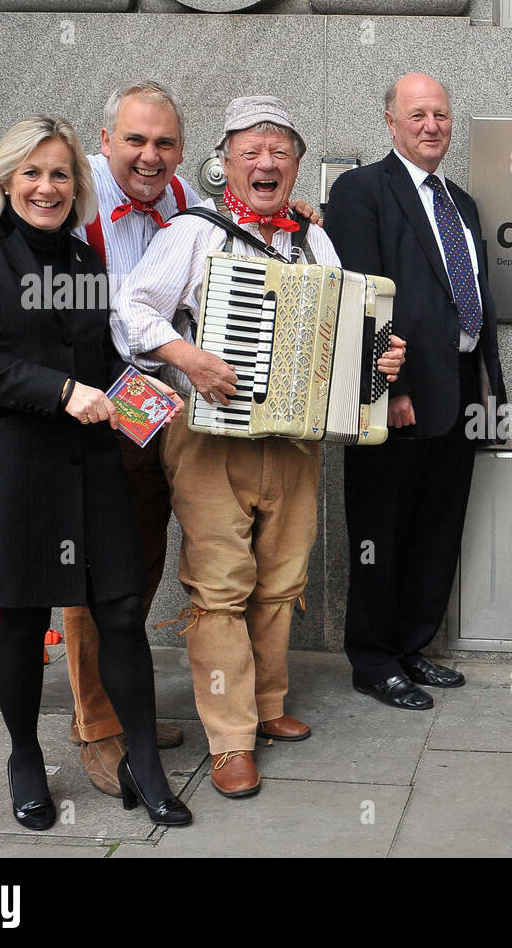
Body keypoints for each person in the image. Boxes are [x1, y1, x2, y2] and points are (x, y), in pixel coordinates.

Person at [0, 81, 197, 797]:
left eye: (59, 174)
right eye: (32, 172)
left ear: (78, 183)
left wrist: (146, 396)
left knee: (123, 608)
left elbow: (100, 364)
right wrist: (63, 393)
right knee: (24, 615)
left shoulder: (84, 260)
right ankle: (25, 759)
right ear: (7, 179)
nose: (46, 185)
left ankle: (144, 762)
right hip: (14, 465)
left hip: (90, 465)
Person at [112, 96, 404, 798]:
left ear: (296, 165)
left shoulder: (313, 241)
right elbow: (132, 309)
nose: (266, 163)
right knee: (219, 587)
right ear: (225, 164)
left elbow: (351, 323)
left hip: (296, 439)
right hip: (210, 437)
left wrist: (380, 361)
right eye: (251, 152)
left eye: (279, 152)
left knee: (281, 579)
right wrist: (188, 355)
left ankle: (268, 704)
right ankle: (229, 738)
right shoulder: (194, 232)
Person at [323, 73, 507, 711]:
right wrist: (383, 387)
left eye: (442, 115)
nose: (432, 125)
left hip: (458, 389)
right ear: (390, 120)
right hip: (395, 390)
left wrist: (486, 390)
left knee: (435, 527)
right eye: (418, 114)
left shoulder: (463, 202)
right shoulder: (360, 191)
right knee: (382, 528)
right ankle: (374, 660)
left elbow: (474, 300)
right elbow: (359, 293)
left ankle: (410, 647)